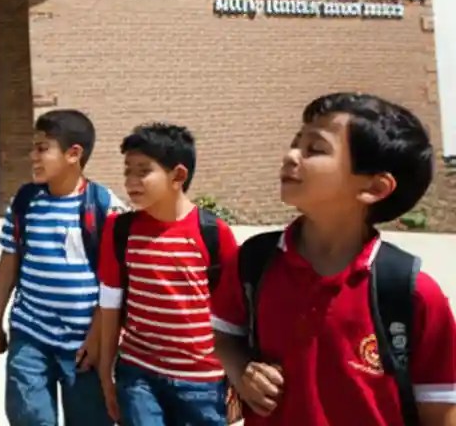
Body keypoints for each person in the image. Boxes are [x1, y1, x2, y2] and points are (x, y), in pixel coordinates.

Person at [212, 93, 456, 426]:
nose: (290, 156)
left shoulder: (411, 292)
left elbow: (440, 411)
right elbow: (223, 334)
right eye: (296, 142)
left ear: (374, 187)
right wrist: (242, 371)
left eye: (315, 149)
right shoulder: (255, 261)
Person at [97, 123, 238, 426]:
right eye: (127, 171)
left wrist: (238, 377)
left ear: (178, 176)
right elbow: (109, 304)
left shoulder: (214, 233)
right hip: (138, 375)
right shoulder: (120, 230)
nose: (131, 181)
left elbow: (236, 313)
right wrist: (105, 369)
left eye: (143, 171)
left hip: (201, 382)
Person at [0, 109, 120, 426]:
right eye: (33, 147)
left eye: (42, 148)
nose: (33, 156)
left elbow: (113, 284)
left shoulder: (104, 206)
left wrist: (98, 336)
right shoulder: (25, 202)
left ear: (74, 154)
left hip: (85, 346)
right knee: (30, 418)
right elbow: (8, 264)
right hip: (30, 335)